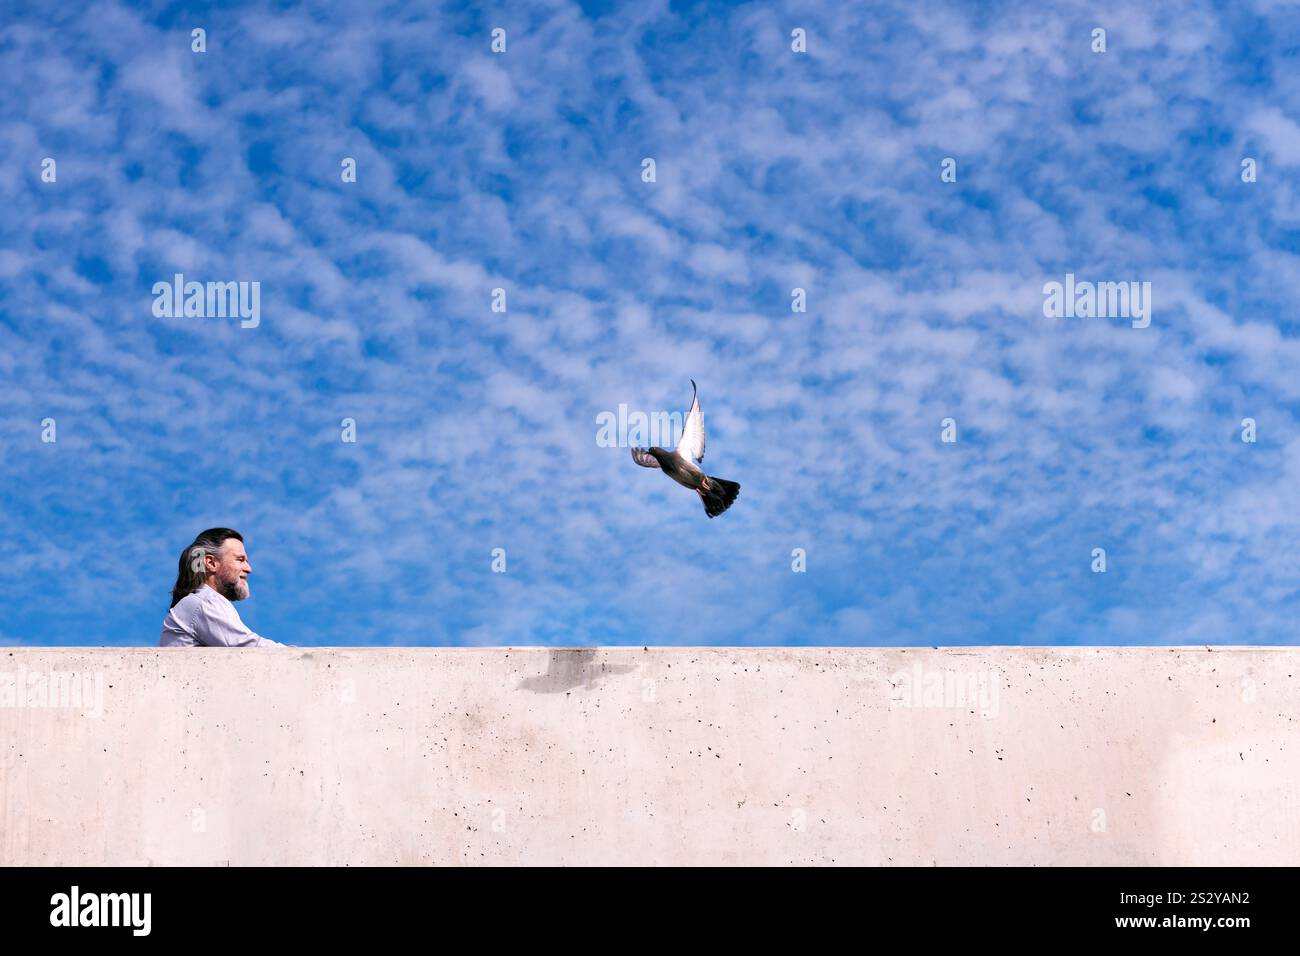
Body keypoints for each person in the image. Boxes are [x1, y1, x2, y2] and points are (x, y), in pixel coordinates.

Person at [159, 528, 286, 647]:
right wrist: (303, 658)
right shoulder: (205, 602)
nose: (248, 569)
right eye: (240, 560)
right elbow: (249, 648)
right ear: (211, 563)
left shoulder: (201, 602)